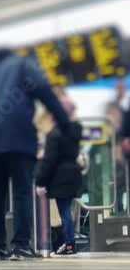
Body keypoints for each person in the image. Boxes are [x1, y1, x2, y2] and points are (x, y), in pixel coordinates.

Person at [0, 48, 69, 260]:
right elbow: (44, 91)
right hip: (19, 137)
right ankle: (20, 245)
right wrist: (66, 124)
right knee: (21, 191)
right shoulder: (24, 64)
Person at [36, 96, 83, 256]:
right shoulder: (75, 130)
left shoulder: (55, 134)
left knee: (64, 213)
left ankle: (69, 244)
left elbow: (49, 160)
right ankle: (69, 243)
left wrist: (40, 181)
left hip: (60, 177)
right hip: (73, 175)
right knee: (67, 212)